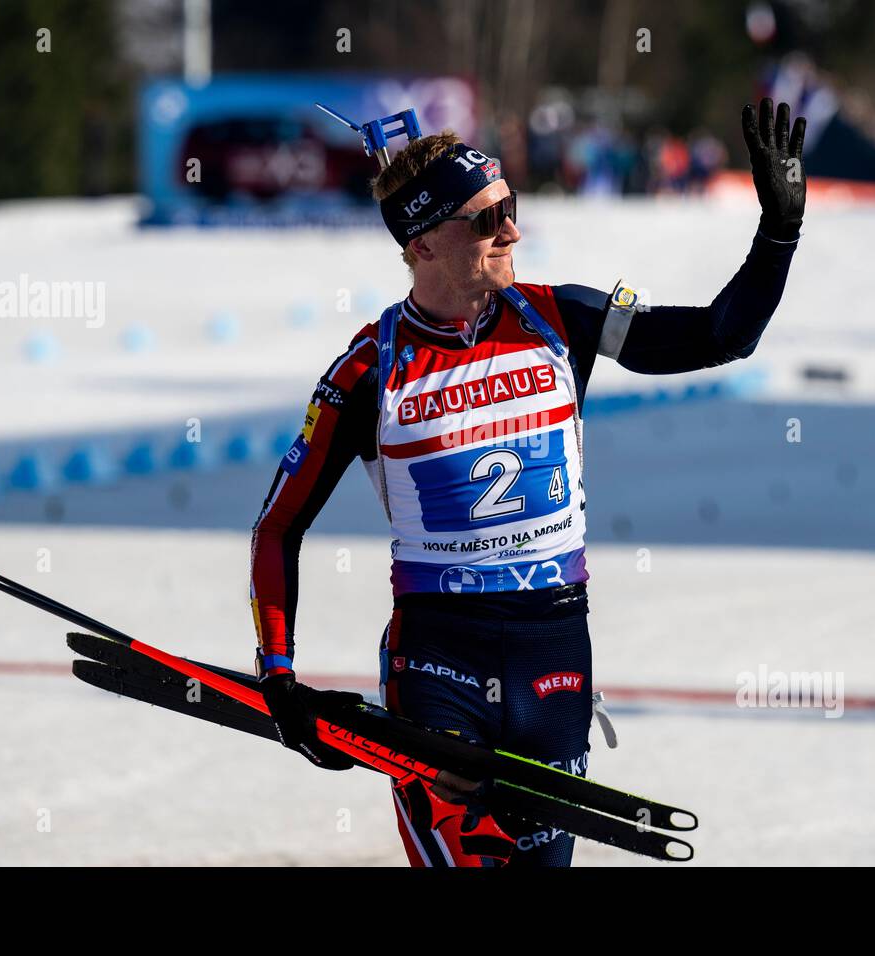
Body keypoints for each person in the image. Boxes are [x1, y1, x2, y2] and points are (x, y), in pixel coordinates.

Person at [250, 99, 807, 867]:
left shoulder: (562, 317)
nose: (511, 229)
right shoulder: (371, 366)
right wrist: (276, 671)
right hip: (436, 664)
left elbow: (722, 335)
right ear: (423, 242)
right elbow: (278, 525)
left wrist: (779, 232)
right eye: (485, 220)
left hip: (554, 661)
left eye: (510, 207)